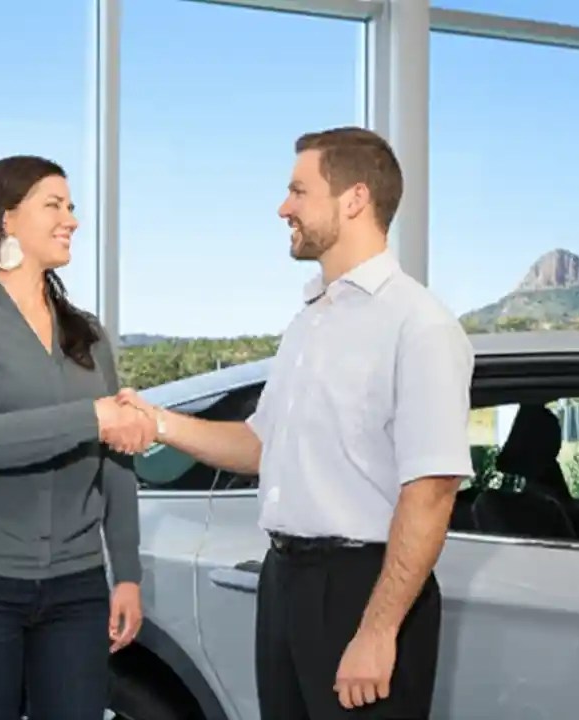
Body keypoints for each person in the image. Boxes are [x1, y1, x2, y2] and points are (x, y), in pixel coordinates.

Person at [115, 127, 474, 719]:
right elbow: (260, 444)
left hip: (364, 588)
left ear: (354, 198)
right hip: (284, 582)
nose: (284, 207)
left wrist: (379, 631)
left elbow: (432, 491)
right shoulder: (310, 322)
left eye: (298, 191)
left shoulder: (420, 325)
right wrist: (157, 423)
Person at [0, 155, 152, 719]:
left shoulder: (86, 332)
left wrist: (127, 574)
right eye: (54, 204)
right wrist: (90, 418)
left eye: (71, 206)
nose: (71, 218)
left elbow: (115, 458)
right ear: (6, 219)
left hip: (77, 586)